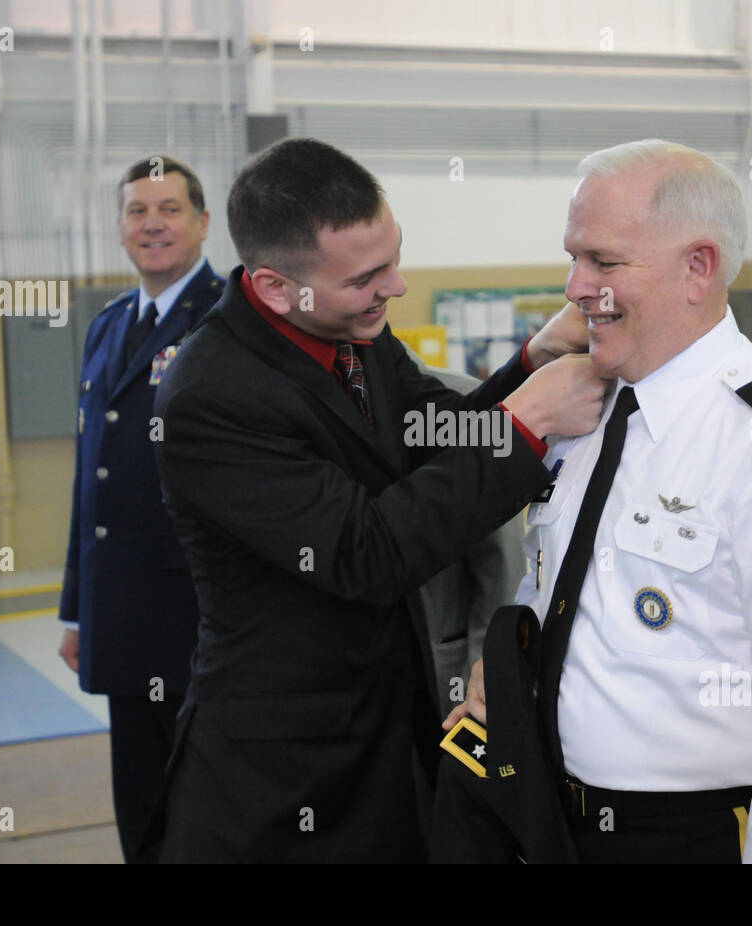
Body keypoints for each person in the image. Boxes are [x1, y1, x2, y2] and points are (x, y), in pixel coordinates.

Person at [148, 137, 606, 862]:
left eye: (394, 257)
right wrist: (530, 423)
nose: (394, 287)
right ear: (274, 288)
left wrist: (529, 363)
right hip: (283, 767)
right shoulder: (212, 397)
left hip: (386, 723)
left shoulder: (348, 328)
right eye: (368, 276)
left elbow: (431, 434)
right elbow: (368, 551)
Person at [437, 140, 752, 863]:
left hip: (689, 837)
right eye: (573, 257)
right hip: (547, 817)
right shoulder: (580, 405)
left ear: (698, 267)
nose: (574, 285)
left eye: (603, 262)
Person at [57, 156, 224, 863]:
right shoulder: (109, 326)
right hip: (122, 615)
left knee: (206, 804)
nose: (151, 222)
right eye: (136, 210)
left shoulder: (227, 319)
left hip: (200, 614)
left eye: (169, 208)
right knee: (140, 801)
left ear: (203, 222)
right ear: (120, 228)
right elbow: (90, 477)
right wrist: (76, 607)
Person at [402, 349, 528, 705]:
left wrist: (485, 670)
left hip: (445, 673)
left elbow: (501, 566)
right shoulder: (308, 400)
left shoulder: (463, 399)